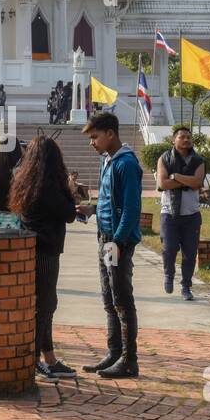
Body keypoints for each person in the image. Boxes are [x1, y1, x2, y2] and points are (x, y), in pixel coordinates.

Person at [77, 111, 142, 379]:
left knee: (121, 299)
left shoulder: (125, 163)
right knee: (109, 298)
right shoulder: (108, 160)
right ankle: (114, 352)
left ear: (110, 134)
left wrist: (118, 241)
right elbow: (109, 202)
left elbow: (130, 208)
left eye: (95, 137)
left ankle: (129, 359)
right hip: (105, 238)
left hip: (117, 241)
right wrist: (92, 209)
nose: (92, 142)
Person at [9, 134, 78, 380]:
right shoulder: (49, 186)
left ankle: (48, 357)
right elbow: (69, 213)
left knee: (45, 304)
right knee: (45, 305)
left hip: (33, 248)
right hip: (47, 249)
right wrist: (69, 188)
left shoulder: (27, 181)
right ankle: (35, 358)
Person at [157, 126, 205, 300]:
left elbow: (198, 182)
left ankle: (186, 286)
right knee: (169, 249)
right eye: (182, 137)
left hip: (191, 215)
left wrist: (175, 177)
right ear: (174, 140)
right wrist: (187, 182)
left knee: (190, 253)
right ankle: (169, 275)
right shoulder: (165, 158)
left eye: (189, 137)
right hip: (169, 213)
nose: (186, 140)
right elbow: (162, 184)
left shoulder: (198, 160)